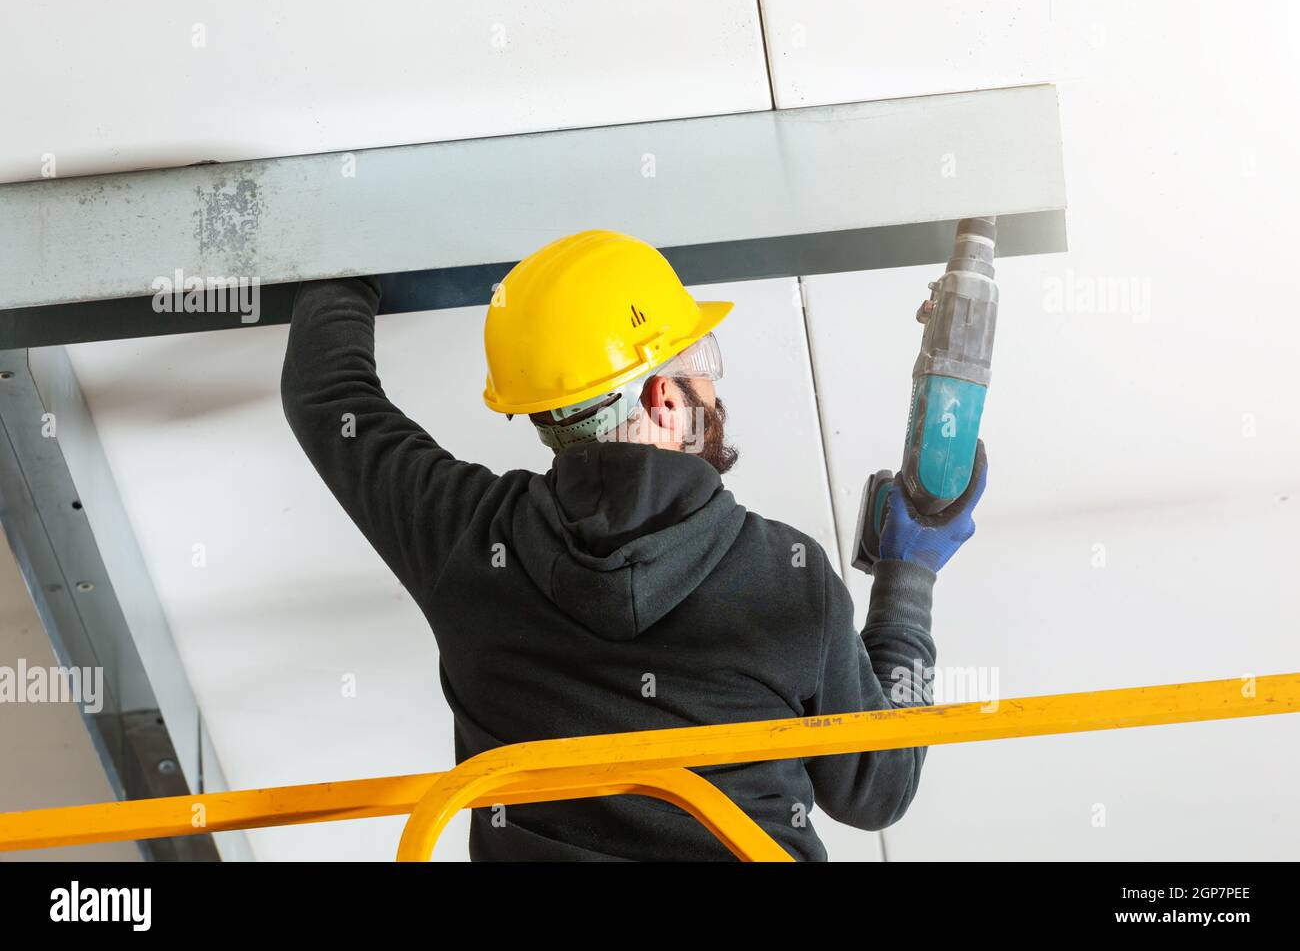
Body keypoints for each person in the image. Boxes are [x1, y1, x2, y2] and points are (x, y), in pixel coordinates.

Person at [280, 229, 987, 860]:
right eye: (699, 359)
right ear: (663, 400)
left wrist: (344, 223)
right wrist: (908, 575)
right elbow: (878, 788)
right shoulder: (786, 576)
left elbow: (324, 393)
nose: (711, 385)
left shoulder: (464, 536)